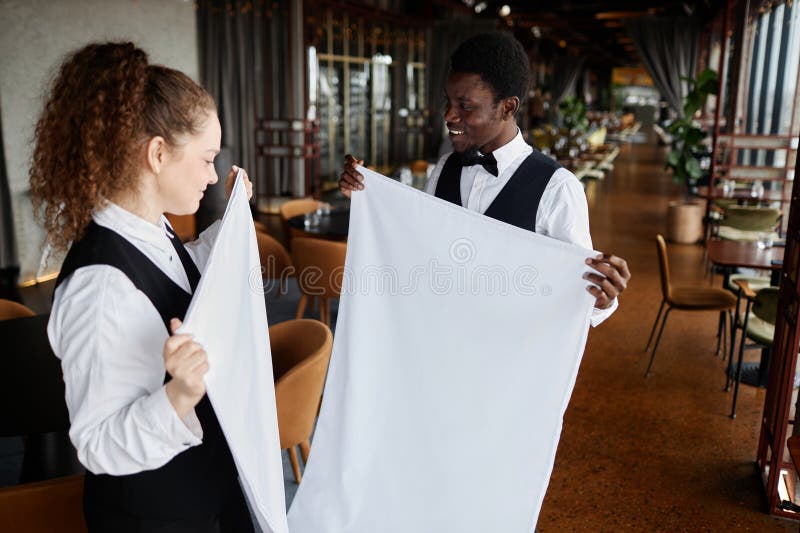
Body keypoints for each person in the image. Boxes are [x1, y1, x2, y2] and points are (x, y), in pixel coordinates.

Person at [30, 42, 255, 532]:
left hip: (203, 491)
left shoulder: (152, 225)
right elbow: (98, 444)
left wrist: (235, 221)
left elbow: (179, 271)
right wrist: (179, 396)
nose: (213, 175)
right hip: (156, 517)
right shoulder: (101, 288)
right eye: (206, 158)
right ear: (157, 154)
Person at [339, 32, 629, 323]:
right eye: (448, 102)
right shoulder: (443, 169)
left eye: (465, 106)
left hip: (508, 355)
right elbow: (418, 243)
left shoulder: (557, 189)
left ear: (508, 108)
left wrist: (603, 298)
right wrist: (367, 196)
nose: (449, 116)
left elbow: (579, 297)